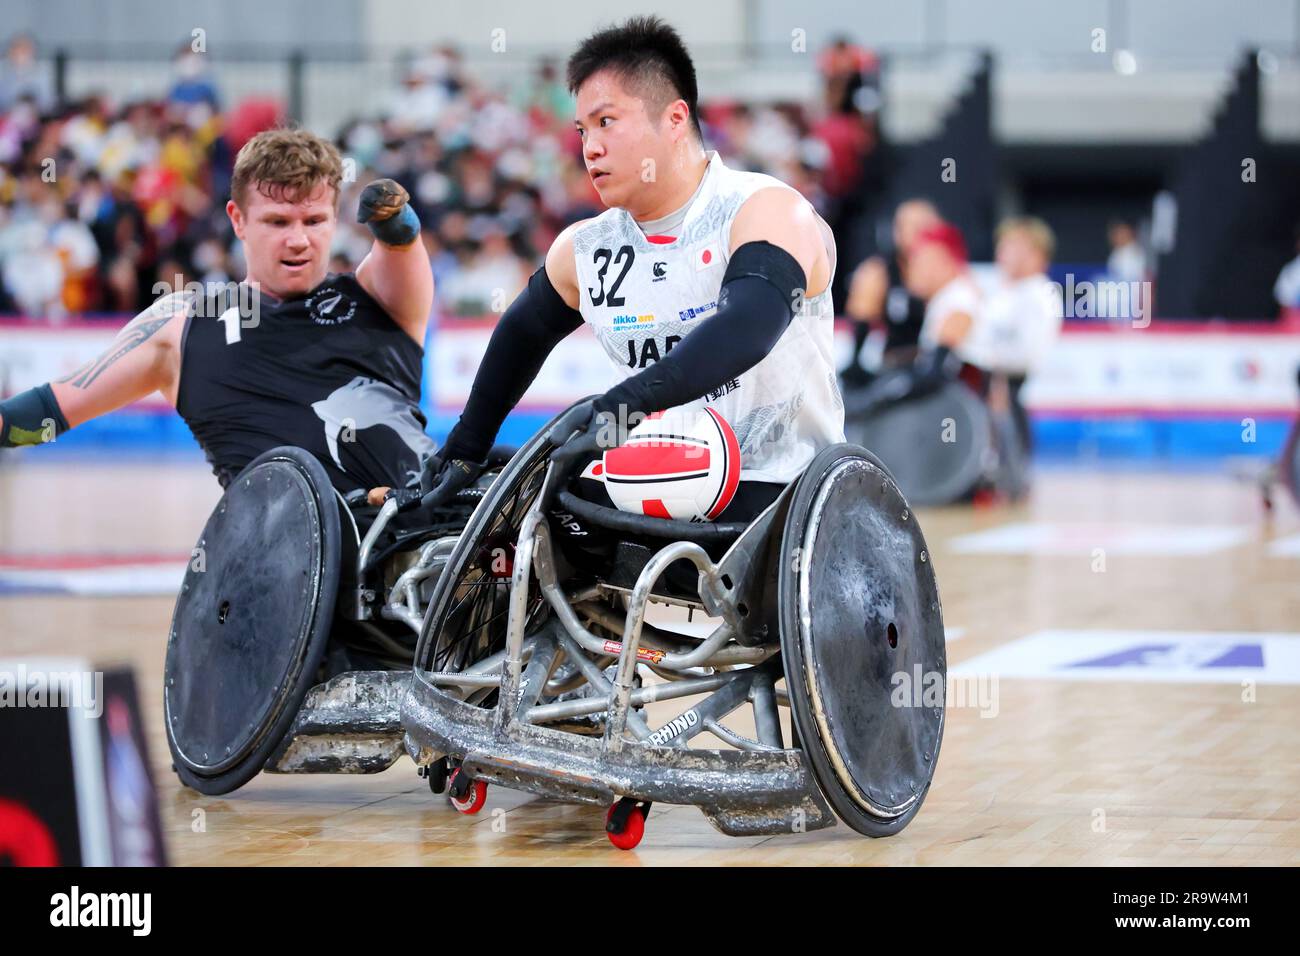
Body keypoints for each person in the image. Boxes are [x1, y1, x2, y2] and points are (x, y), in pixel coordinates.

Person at [423, 16, 843, 538]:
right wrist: (466, 447)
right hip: (654, 480)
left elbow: (747, 328)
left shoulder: (768, 209)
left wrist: (622, 405)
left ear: (674, 118)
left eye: (606, 122)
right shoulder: (583, 248)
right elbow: (520, 334)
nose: (589, 147)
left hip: (782, 493)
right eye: (581, 130)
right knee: (498, 520)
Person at [0, 127, 436, 495]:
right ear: (238, 220)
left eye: (314, 221)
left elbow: (401, 244)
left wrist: (393, 216)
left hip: (436, 547)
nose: (299, 240)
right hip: (298, 572)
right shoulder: (182, 327)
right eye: (278, 222)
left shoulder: (376, 296)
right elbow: (53, 409)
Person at [964, 217, 1063, 452]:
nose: (1004, 252)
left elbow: (1027, 354)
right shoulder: (1001, 291)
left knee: (1011, 472)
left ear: (1037, 255)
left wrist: (988, 362)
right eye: (1003, 245)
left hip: (1012, 394)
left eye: (1014, 247)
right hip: (990, 391)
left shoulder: (1040, 294)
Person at [841, 198, 940, 385]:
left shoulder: (947, 271)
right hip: (897, 362)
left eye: (922, 226)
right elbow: (861, 314)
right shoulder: (879, 271)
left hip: (940, 365)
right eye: (907, 226)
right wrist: (856, 360)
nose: (915, 233)